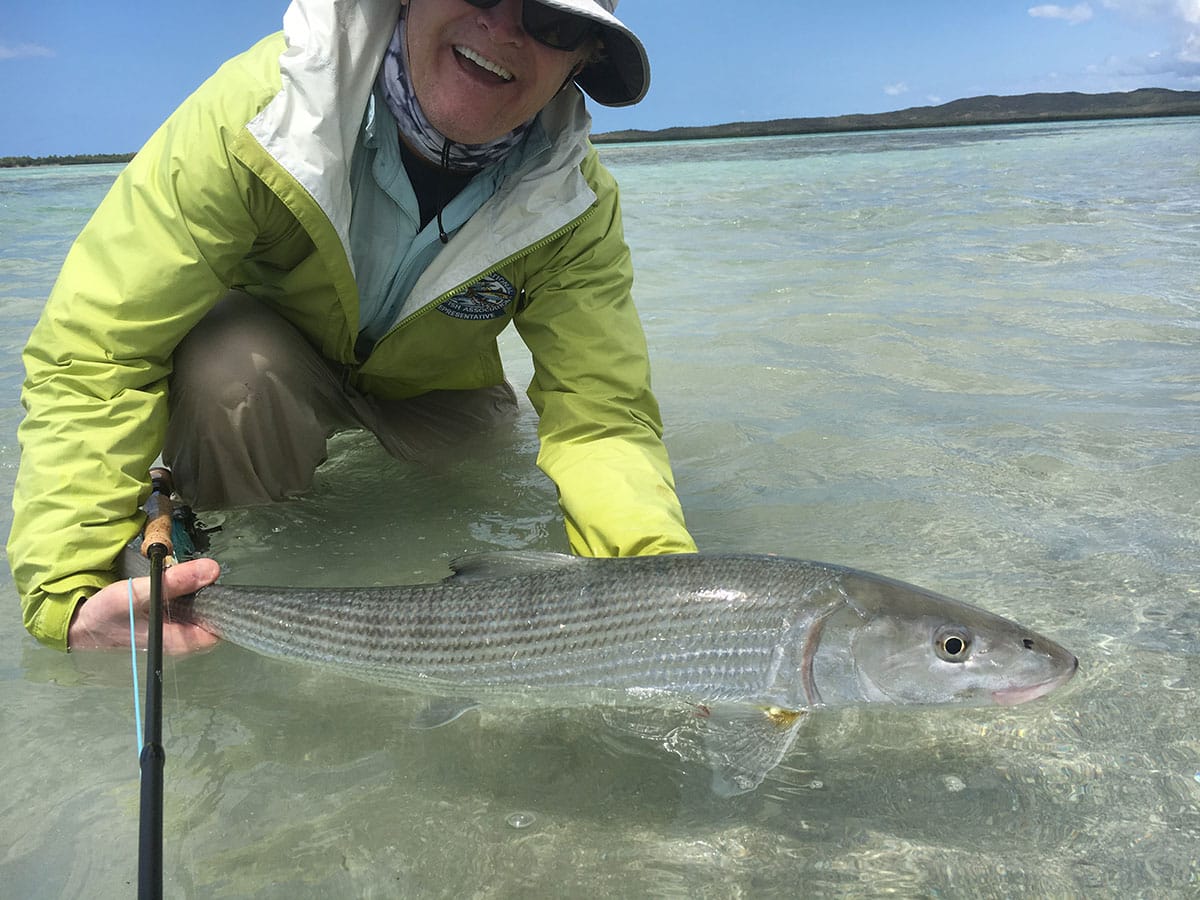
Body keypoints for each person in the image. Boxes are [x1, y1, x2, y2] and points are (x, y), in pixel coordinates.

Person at [7, 0, 696, 653]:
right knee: (226, 369)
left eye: (553, 20)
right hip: (264, 376)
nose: (505, 27)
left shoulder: (575, 202)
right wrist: (69, 590)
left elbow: (601, 419)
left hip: (436, 395)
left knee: (486, 465)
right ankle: (235, 571)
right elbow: (100, 348)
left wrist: (666, 601)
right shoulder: (260, 112)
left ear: (582, 59)